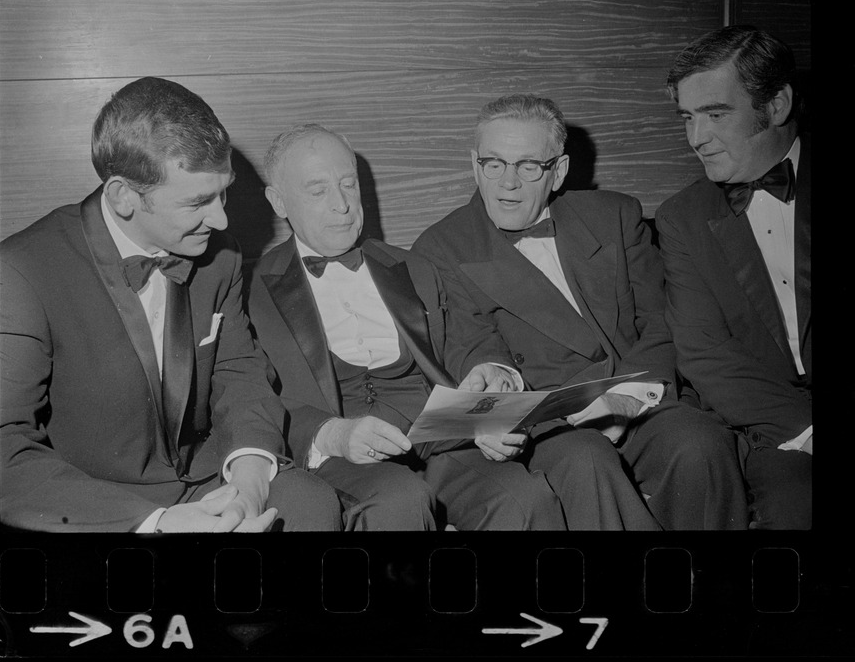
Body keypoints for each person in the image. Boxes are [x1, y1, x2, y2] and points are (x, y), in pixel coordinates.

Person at [0, 77, 341, 532]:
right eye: (198, 201)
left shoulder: (222, 254)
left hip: (207, 476)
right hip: (101, 502)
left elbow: (239, 371)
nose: (221, 218)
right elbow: (1, 448)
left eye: (224, 192)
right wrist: (158, 522)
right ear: (124, 197)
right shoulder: (21, 272)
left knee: (312, 506)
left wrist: (250, 477)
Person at [413, 94, 748, 530]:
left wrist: (632, 396)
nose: (507, 183)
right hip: (550, 424)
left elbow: (662, 318)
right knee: (584, 458)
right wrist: (493, 377)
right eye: (493, 164)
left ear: (559, 172)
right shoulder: (440, 247)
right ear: (475, 164)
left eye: (528, 165)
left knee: (699, 442)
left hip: (638, 395)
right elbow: (470, 341)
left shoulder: (616, 216)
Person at [248, 124, 566, 530]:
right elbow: (253, 396)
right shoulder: (251, 291)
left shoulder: (412, 265)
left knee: (526, 498)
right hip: (340, 458)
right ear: (278, 202)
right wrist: (332, 434)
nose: (342, 205)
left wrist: (487, 376)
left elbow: (466, 340)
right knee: (400, 500)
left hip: (439, 439)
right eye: (318, 191)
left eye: (348, 184)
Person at [656, 26, 811, 529]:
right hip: (779, 427)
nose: (696, 139)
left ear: (778, 104)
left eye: (717, 114)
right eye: (687, 118)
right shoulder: (683, 218)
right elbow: (704, 354)